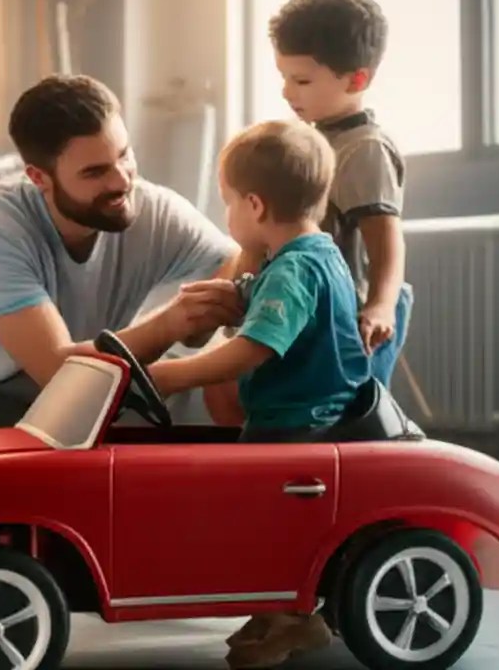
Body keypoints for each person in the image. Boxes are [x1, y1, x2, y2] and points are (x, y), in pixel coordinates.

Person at [0, 74, 257, 440]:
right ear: (39, 178)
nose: (121, 181)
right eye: (95, 172)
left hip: (71, 409)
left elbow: (238, 261)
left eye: (124, 155)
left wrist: (254, 249)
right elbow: (58, 373)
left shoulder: (155, 212)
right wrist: (168, 325)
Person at [147, 119, 365, 668]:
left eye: (227, 203)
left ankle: (292, 620)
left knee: (257, 521)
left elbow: (254, 350)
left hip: (295, 423)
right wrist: (235, 294)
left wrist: (172, 375)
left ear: (255, 206)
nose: (227, 215)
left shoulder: (293, 270)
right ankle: (278, 612)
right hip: (312, 415)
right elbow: (277, 308)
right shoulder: (318, 253)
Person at [269, 0, 413, 388]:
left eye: (301, 81)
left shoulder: (363, 149)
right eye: (283, 77)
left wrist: (380, 307)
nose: (286, 91)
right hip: (318, 312)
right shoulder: (316, 140)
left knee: (348, 416)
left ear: (356, 80)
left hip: (352, 323)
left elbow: (386, 241)